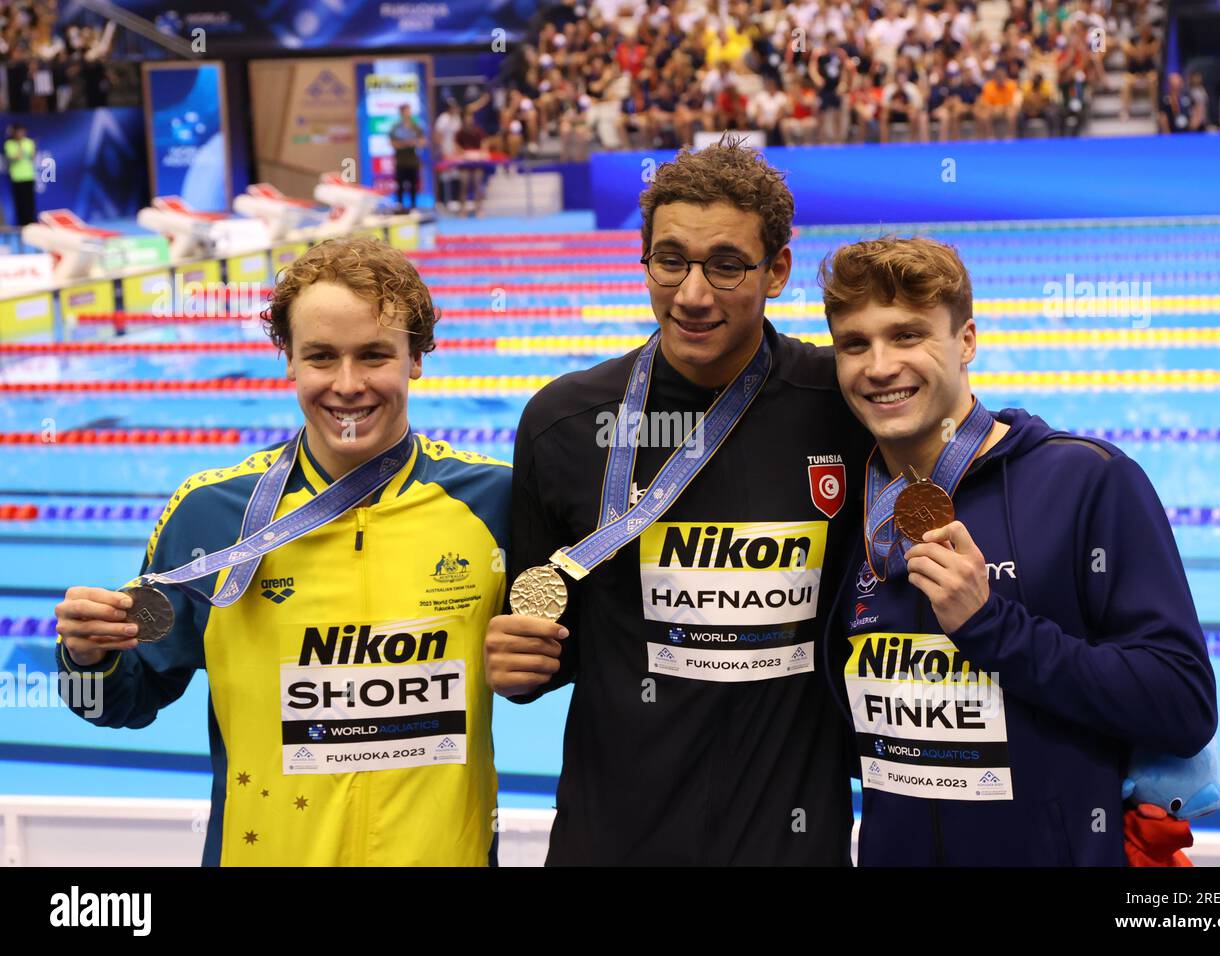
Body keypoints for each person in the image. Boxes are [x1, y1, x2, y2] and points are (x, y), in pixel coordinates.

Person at [54, 237, 510, 866]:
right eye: (322, 357)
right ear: (289, 361)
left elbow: (559, 666)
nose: (348, 385)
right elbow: (120, 706)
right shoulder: (213, 514)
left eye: (374, 354)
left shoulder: (493, 503)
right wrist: (86, 660)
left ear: (416, 358)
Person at [485, 137, 867, 865]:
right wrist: (518, 661)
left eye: (726, 265)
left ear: (777, 269)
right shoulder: (566, 421)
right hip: (617, 835)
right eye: (670, 261)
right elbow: (547, 637)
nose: (693, 295)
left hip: (790, 839)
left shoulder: (839, 406)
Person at [818, 236, 1217, 865]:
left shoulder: (1087, 481)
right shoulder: (849, 513)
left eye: (907, 336)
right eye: (855, 344)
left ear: (967, 341)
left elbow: (1182, 704)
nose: (879, 366)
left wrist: (990, 625)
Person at [388, 103, 423, 213]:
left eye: (409, 111)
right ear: (401, 112)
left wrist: (409, 143)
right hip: (400, 161)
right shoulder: (396, 127)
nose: (409, 113)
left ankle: (413, 206)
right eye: (406, 111)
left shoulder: (416, 127)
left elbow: (422, 142)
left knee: (413, 185)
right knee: (400, 185)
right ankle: (399, 207)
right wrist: (407, 143)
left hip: (412, 161)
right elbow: (393, 143)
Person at [4, 124, 37, 226]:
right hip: (17, 177)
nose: (20, 134)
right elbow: (15, 158)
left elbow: (32, 158)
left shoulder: (30, 142)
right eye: (18, 132)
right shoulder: (9, 144)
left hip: (29, 176)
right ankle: (22, 225)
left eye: (22, 131)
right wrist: (19, 146)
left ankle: (32, 223)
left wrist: (33, 149)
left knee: (30, 202)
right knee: (20, 203)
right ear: (14, 133)